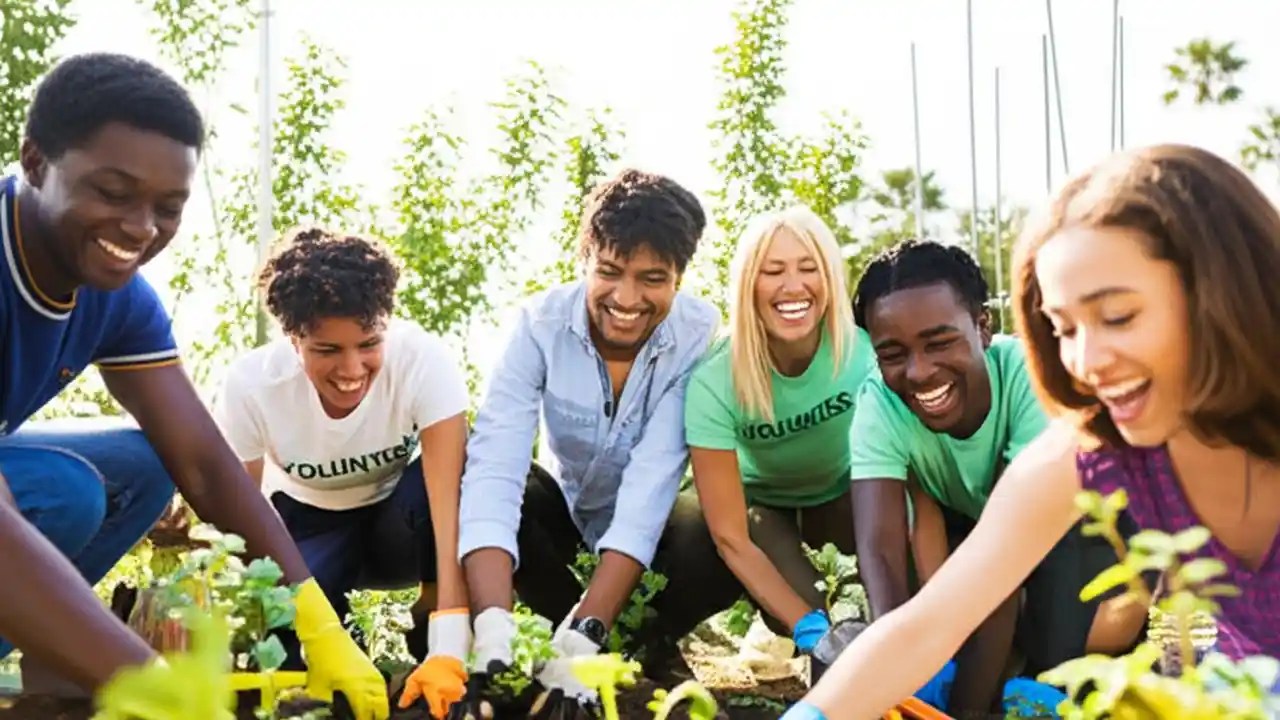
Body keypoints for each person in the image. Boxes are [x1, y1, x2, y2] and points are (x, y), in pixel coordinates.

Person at [783, 143, 1280, 719]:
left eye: (1118, 316)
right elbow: (929, 624)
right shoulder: (1085, 453)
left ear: (1219, 292)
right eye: (1065, 328)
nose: (1087, 360)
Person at [0, 53, 388, 720]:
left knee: (144, 464)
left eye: (168, 207)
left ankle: (55, 666)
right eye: (114, 193)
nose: (141, 228)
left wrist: (317, 622)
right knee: (66, 491)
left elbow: (204, 465)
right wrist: (150, 681)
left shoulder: (117, 300)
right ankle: (87, 663)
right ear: (36, 163)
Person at [450, 168, 725, 718]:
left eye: (653, 278)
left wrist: (589, 627)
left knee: (711, 535)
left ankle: (631, 645)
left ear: (679, 276)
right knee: (510, 486)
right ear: (585, 260)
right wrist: (493, 625)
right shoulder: (539, 326)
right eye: (610, 272)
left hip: (647, 536)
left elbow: (652, 482)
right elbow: (494, 468)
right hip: (565, 521)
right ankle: (529, 646)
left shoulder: (697, 334)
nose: (627, 297)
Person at [847, 238, 1141, 715]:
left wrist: (967, 710)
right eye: (893, 353)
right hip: (986, 531)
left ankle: (1052, 684)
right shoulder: (878, 404)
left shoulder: (1032, 377)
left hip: (1090, 526)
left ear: (984, 327)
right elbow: (879, 551)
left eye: (939, 342)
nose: (919, 371)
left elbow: (1008, 551)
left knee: (1057, 656)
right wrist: (897, 678)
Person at [213, 227, 470, 717]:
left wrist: (449, 642)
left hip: (399, 525)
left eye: (368, 344)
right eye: (327, 351)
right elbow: (239, 520)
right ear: (294, 338)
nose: (351, 369)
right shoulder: (251, 386)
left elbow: (448, 505)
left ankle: (423, 630)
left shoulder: (422, 361)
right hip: (306, 526)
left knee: (465, 469)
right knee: (282, 655)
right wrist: (297, 624)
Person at [681, 206, 876, 673]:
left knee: (880, 623)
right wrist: (810, 626)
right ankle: (782, 633)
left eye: (809, 269)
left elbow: (899, 475)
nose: (793, 286)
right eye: (773, 271)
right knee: (826, 632)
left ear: (829, 278)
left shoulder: (861, 352)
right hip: (762, 515)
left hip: (845, 497)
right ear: (749, 284)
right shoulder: (714, 380)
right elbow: (729, 534)